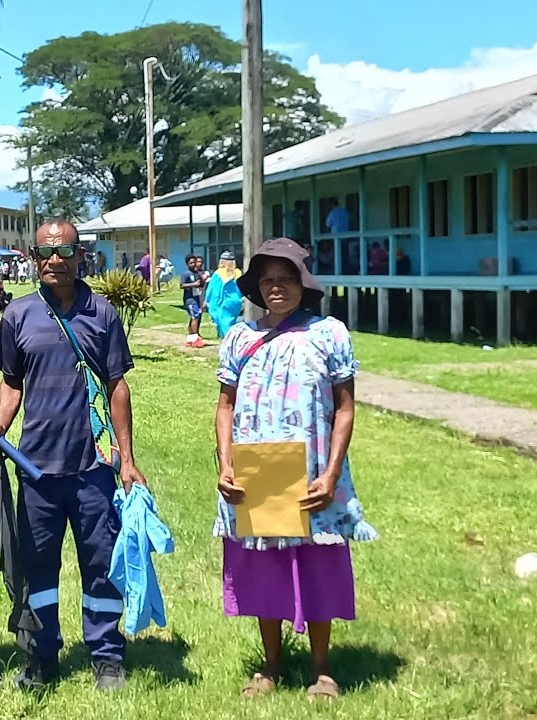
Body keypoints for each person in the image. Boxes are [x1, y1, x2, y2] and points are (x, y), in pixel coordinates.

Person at [214, 238, 377, 702]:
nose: (276, 289)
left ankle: (322, 668)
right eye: (267, 281)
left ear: (303, 285)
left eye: (285, 280)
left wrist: (330, 473)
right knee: (264, 566)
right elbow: (224, 406)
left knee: (317, 564)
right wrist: (226, 463)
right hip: (257, 473)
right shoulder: (240, 338)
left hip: (311, 472)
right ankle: (271, 663)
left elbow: (345, 408)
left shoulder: (329, 335)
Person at [0, 219, 147, 692]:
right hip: (35, 468)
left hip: (93, 468)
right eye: (45, 253)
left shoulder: (102, 314)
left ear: (82, 255)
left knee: (100, 563)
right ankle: (41, 657)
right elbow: (12, 383)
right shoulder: (17, 315)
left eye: (64, 251)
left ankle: (106, 656)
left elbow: (118, 385)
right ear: (33, 259)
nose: (54, 260)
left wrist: (127, 456)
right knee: (38, 567)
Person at [204, 251, 245, 339]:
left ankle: (227, 340)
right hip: (236, 301)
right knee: (232, 321)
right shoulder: (238, 272)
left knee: (223, 323)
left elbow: (213, 290)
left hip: (223, 302)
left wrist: (208, 301)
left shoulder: (218, 273)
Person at [180, 255, 209, 348]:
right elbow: (181, 285)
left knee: (196, 317)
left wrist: (202, 279)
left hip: (196, 297)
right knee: (195, 317)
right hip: (190, 299)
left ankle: (191, 338)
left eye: (194, 262)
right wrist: (193, 284)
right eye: (191, 263)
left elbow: (201, 284)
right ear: (187, 264)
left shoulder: (197, 273)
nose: (193, 265)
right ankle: (195, 338)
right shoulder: (186, 274)